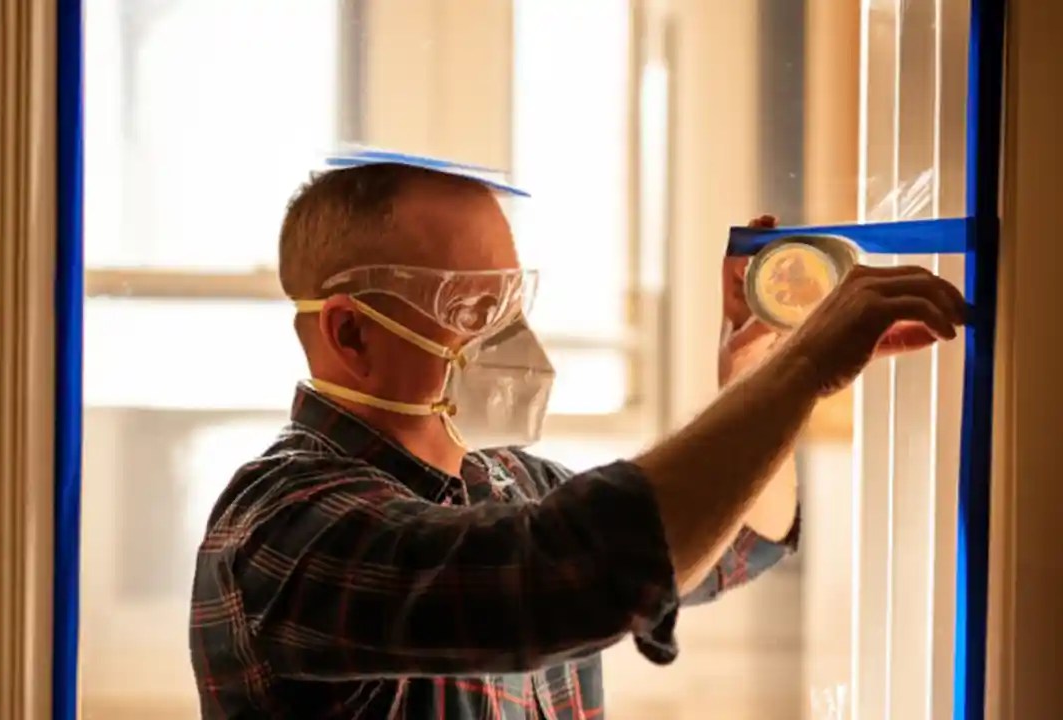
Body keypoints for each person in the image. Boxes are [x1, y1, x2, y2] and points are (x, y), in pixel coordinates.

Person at [189, 159, 966, 719]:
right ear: (351, 332)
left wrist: (756, 362)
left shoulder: (507, 484)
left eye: (511, 300)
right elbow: (573, 574)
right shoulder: (285, 528)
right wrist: (801, 371)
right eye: (470, 306)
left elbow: (737, 541)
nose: (509, 336)